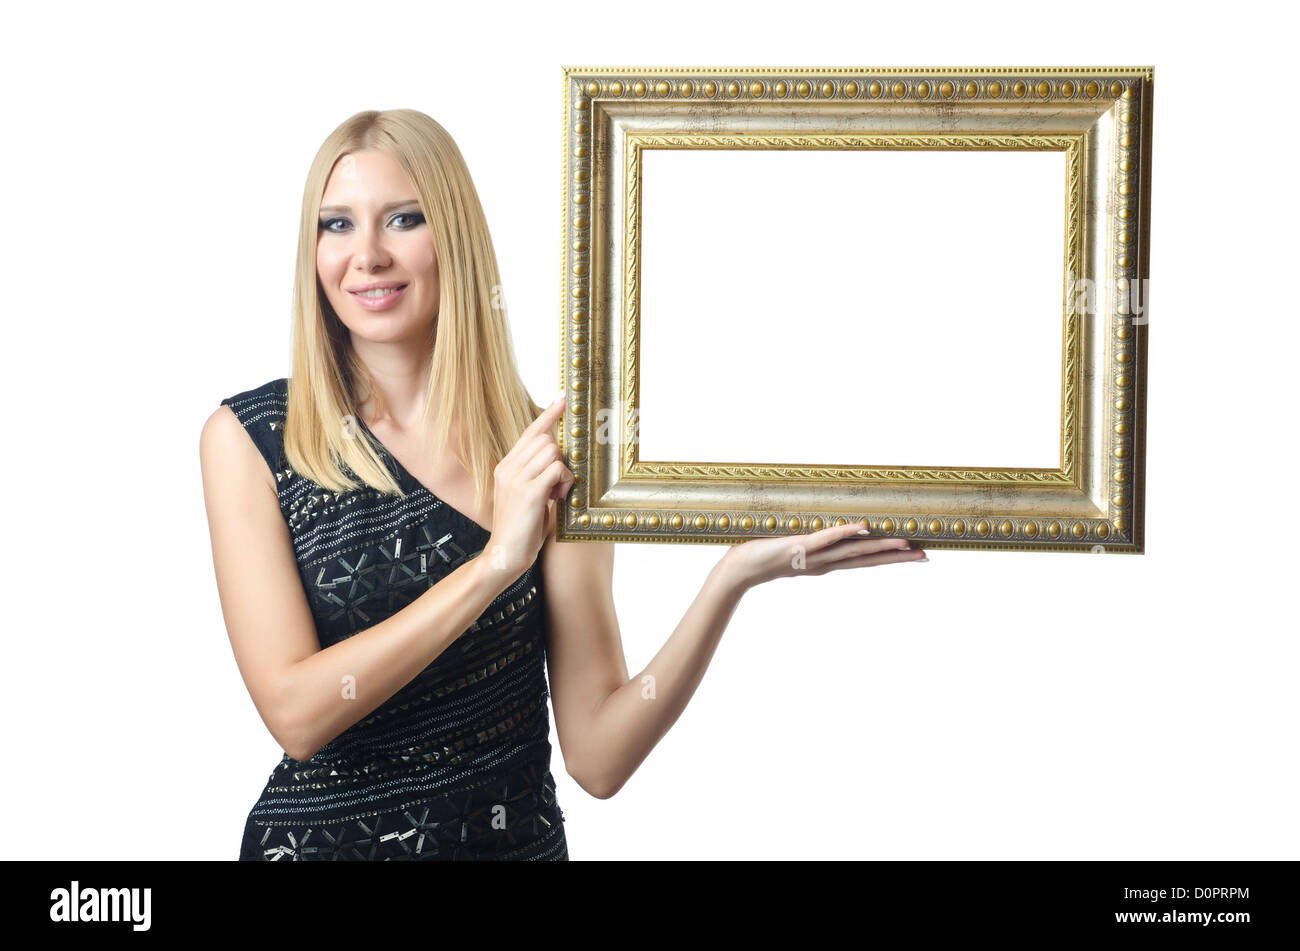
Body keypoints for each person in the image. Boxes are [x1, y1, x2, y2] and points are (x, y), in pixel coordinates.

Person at [199, 108, 929, 861]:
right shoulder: (253, 440)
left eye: (404, 219)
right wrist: (493, 568)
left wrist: (730, 579)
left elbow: (598, 758)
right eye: (337, 225)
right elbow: (296, 713)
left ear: (455, 236)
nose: (369, 256)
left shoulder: (551, 456)